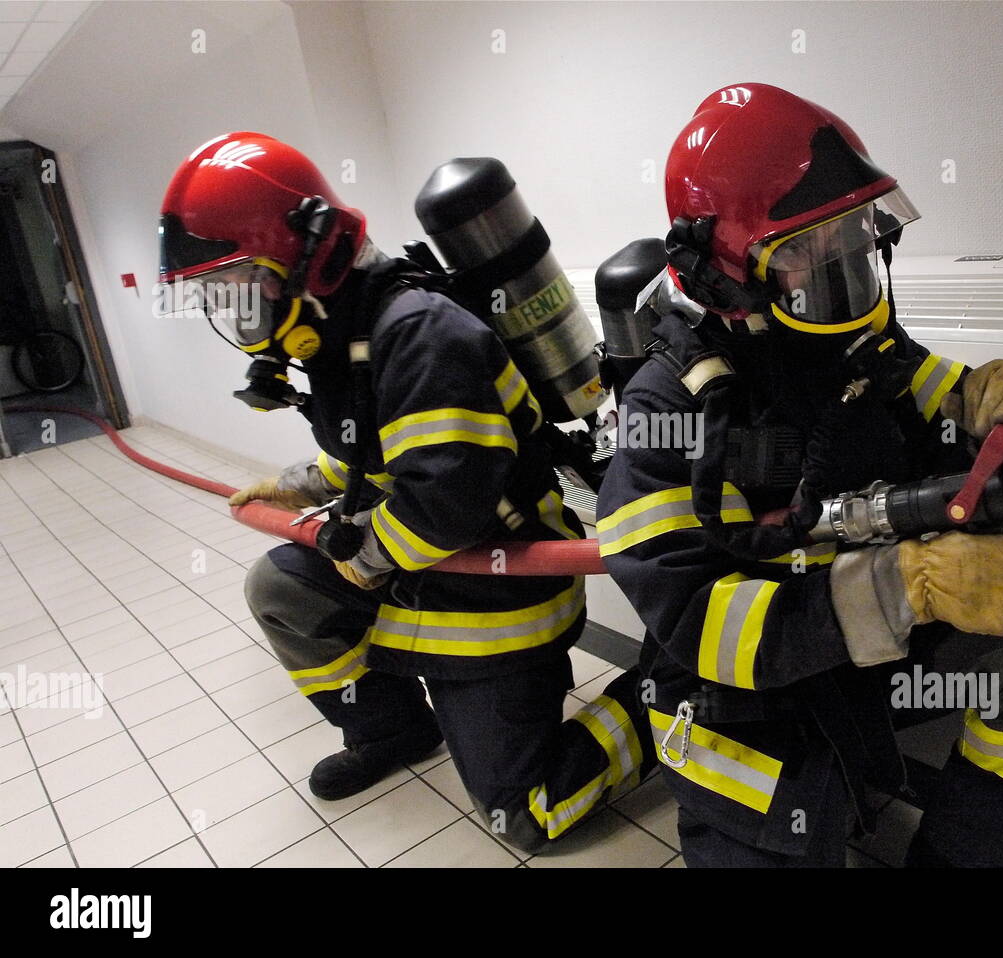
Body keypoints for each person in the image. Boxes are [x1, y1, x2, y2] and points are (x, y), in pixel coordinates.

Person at [596, 84, 1003, 867]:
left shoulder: (861, 346)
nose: (845, 261)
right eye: (807, 246)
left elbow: (974, 458)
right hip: (747, 709)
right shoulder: (663, 408)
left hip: (866, 655)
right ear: (729, 271)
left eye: (855, 235)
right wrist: (910, 587)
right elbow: (698, 623)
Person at [158, 132, 651, 852]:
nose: (232, 314)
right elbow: (381, 454)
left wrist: (369, 555)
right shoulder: (338, 333)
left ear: (305, 257)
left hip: (497, 591)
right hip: (420, 569)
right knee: (284, 587)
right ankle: (394, 730)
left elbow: (447, 499)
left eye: (236, 288)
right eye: (215, 296)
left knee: (526, 815)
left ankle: (659, 699)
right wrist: (305, 484)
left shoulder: (419, 333)